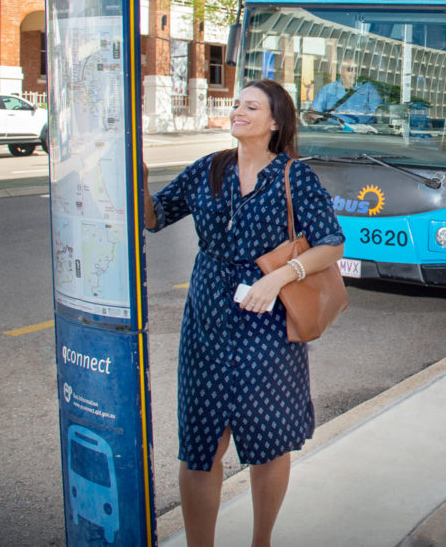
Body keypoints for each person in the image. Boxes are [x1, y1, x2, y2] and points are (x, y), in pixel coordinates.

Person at [143, 80, 345, 547]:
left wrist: (278, 277)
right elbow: (154, 216)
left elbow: (332, 243)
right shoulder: (208, 170)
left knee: (268, 443)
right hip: (208, 324)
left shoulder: (295, 176)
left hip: (269, 326)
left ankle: (261, 542)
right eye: (236, 105)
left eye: (250, 107)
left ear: (274, 122)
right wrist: (133, 168)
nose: (238, 111)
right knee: (200, 447)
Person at [306, 59, 383, 125]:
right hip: (334, 132)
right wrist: (318, 120)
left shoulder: (368, 89)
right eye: (349, 69)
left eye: (356, 70)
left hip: (363, 133)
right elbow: (313, 111)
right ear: (340, 71)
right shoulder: (328, 89)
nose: (354, 73)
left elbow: (379, 113)